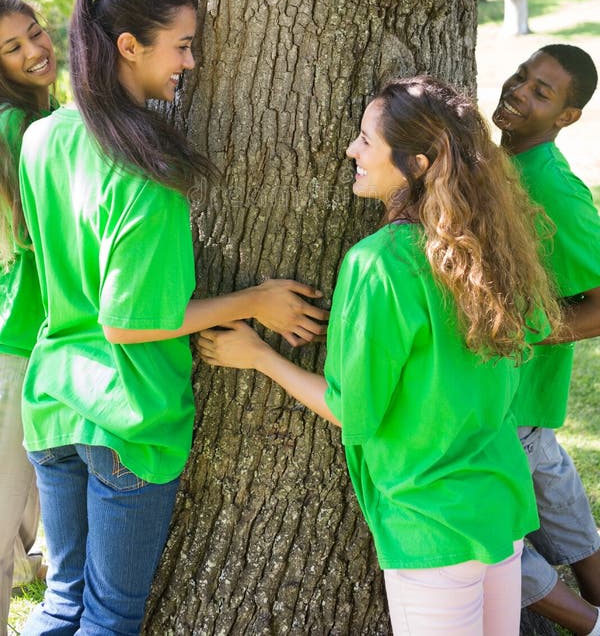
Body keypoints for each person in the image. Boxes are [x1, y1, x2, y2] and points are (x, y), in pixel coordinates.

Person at [17, 0, 328, 636]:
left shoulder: (43, 138)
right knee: (108, 617)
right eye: (181, 45)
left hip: (54, 400)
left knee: (63, 603)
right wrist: (255, 302)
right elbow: (128, 323)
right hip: (125, 415)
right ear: (129, 45)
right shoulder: (147, 173)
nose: (191, 61)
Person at [199, 75, 565, 635]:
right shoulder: (493, 248)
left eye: (367, 141)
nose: (351, 149)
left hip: (430, 522)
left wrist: (258, 355)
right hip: (497, 501)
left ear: (415, 164)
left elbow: (355, 411)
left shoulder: (380, 264)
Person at [492, 43, 600, 636]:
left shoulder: (556, 190)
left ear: (567, 117)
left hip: (511, 398)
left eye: (542, 92)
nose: (518, 91)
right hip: (506, 398)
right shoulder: (494, 163)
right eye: (522, 76)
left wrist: (522, 331)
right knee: (562, 504)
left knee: (492, 532)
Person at [0, 0, 57, 636]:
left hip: (50, 340)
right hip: (18, 340)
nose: (34, 50)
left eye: (34, 33)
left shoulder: (51, 118)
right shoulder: (17, 127)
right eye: (12, 48)